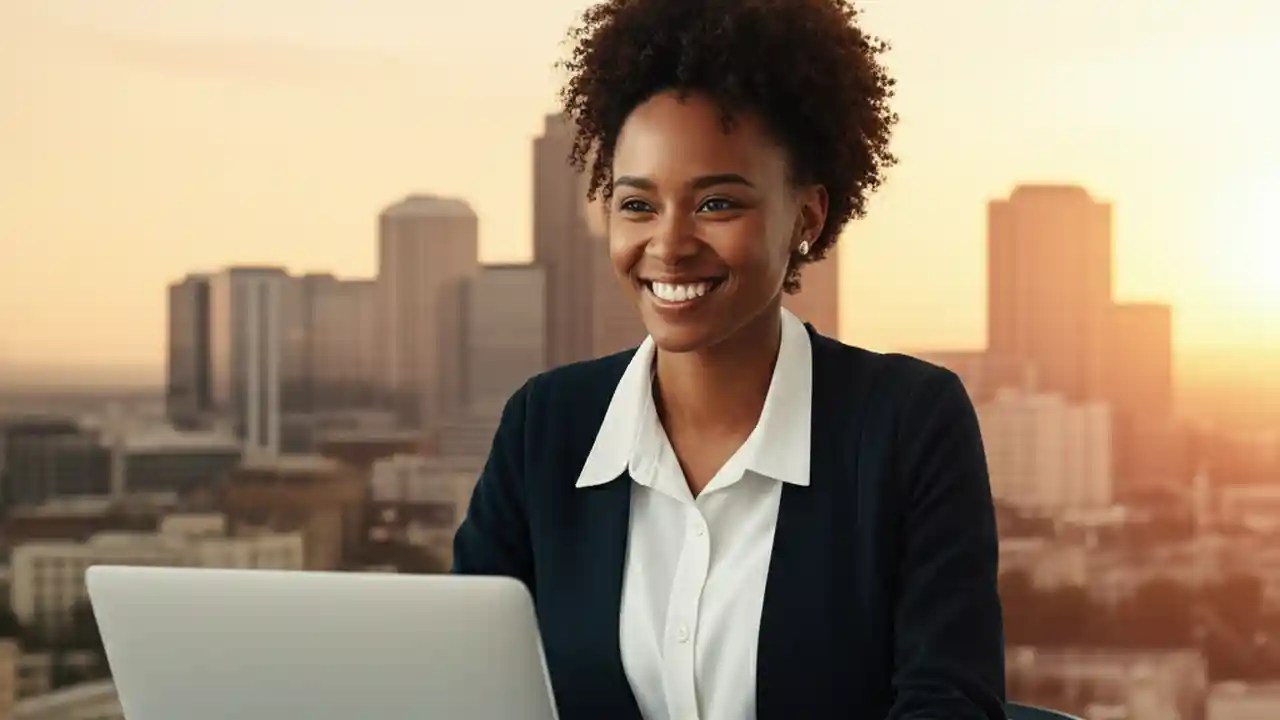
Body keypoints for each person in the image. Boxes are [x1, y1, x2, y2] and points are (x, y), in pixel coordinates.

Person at [453, 0, 1005, 718]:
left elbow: (949, 705)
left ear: (806, 217)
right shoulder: (546, 427)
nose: (670, 244)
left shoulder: (906, 424)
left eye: (716, 204)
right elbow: (471, 684)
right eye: (638, 205)